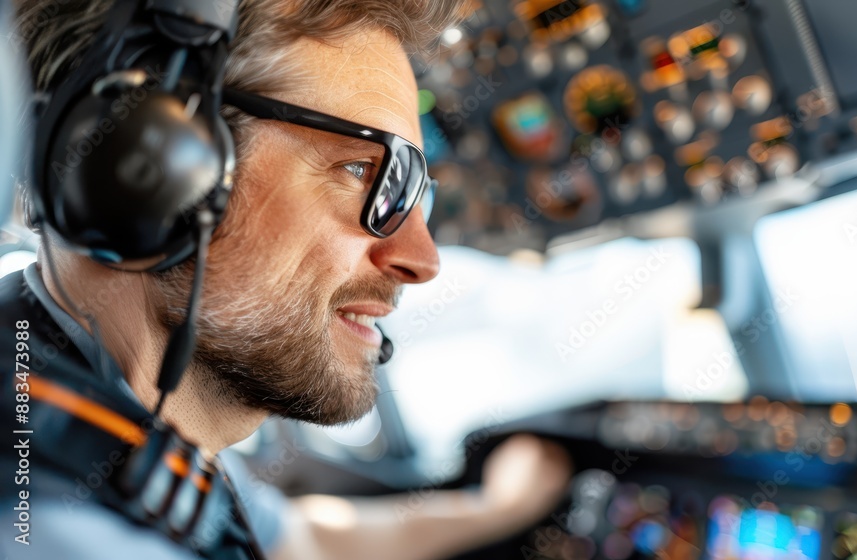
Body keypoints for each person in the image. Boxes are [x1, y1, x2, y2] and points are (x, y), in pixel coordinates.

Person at [0, 1, 572, 558]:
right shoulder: (59, 528)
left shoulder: (121, 433)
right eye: (361, 170)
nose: (422, 260)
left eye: (415, 194)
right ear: (140, 169)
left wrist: (495, 508)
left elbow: (302, 539)